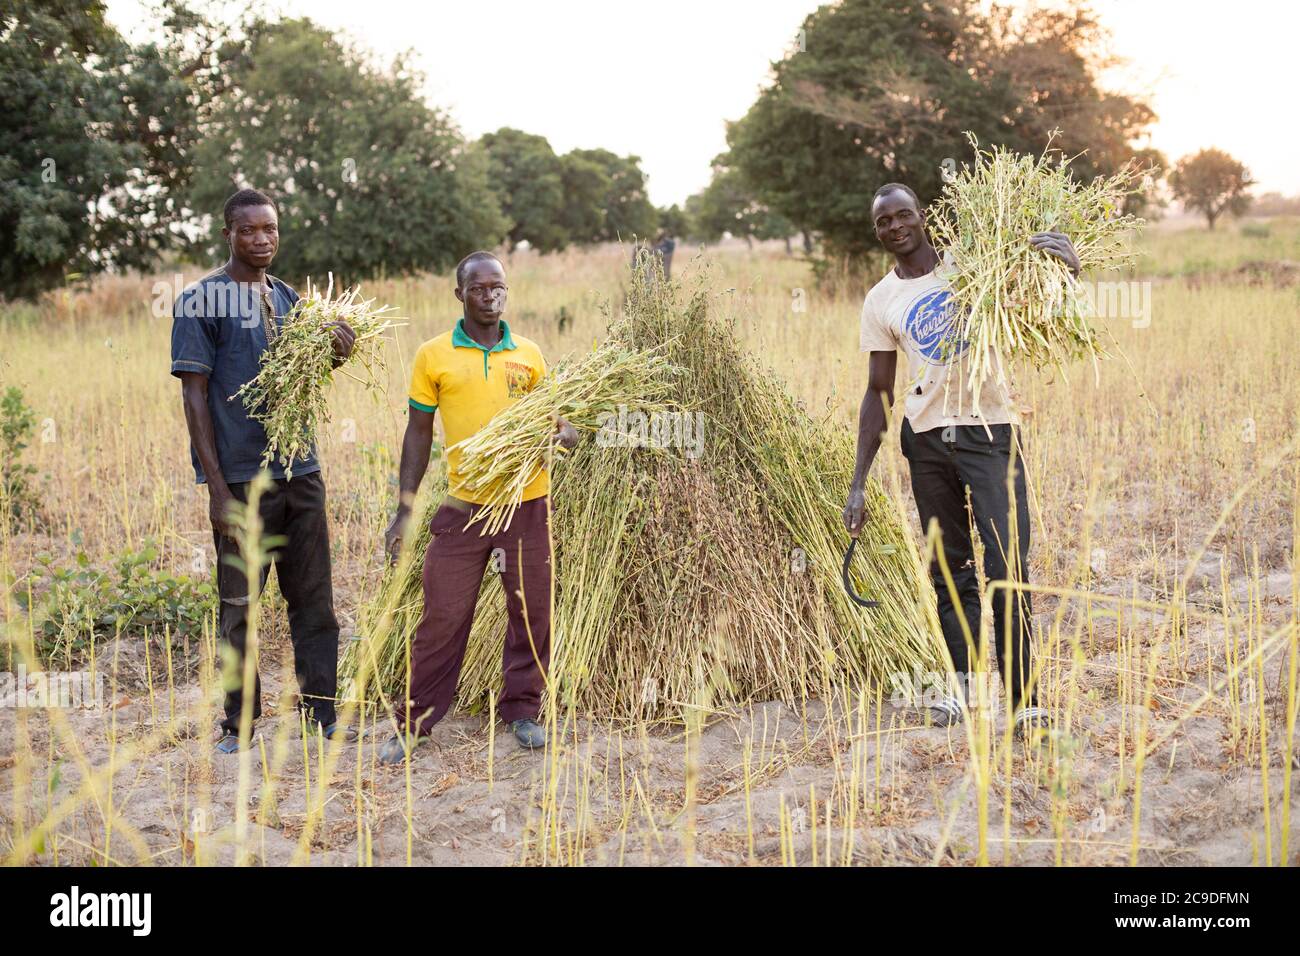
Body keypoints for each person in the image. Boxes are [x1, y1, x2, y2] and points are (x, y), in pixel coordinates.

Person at [843, 183, 1080, 738]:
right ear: (876, 231)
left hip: (991, 432)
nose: (896, 227)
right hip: (925, 442)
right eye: (883, 221)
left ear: (923, 217)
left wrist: (1068, 269)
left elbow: (1043, 307)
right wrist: (858, 481)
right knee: (949, 572)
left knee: (1008, 568)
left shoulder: (973, 266)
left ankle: (1026, 704)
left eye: (904, 215)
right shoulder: (880, 301)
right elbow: (879, 391)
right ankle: (968, 695)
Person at [171, 188, 356, 754]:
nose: (262, 240)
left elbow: (305, 376)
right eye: (249, 230)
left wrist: (337, 349)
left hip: (301, 471)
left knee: (315, 600)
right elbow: (195, 399)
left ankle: (320, 713)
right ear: (227, 233)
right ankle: (239, 724)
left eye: (270, 229)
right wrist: (216, 489)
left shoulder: (287, 298)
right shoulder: (202, 301)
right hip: (243, 481)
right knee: (239, 609)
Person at [379, 251, 578, 763]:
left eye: (499, 288)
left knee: (531, 611)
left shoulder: (529, 354)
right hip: (463, 506)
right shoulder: (434, 355)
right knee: (442, 615)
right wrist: (405, 509)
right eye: (479, 289)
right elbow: (418, 432)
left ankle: (523, 711)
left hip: (526, 502)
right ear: (459, 294)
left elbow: (554, 425)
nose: (490, 297)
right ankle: (415, 722)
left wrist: (566, 436)